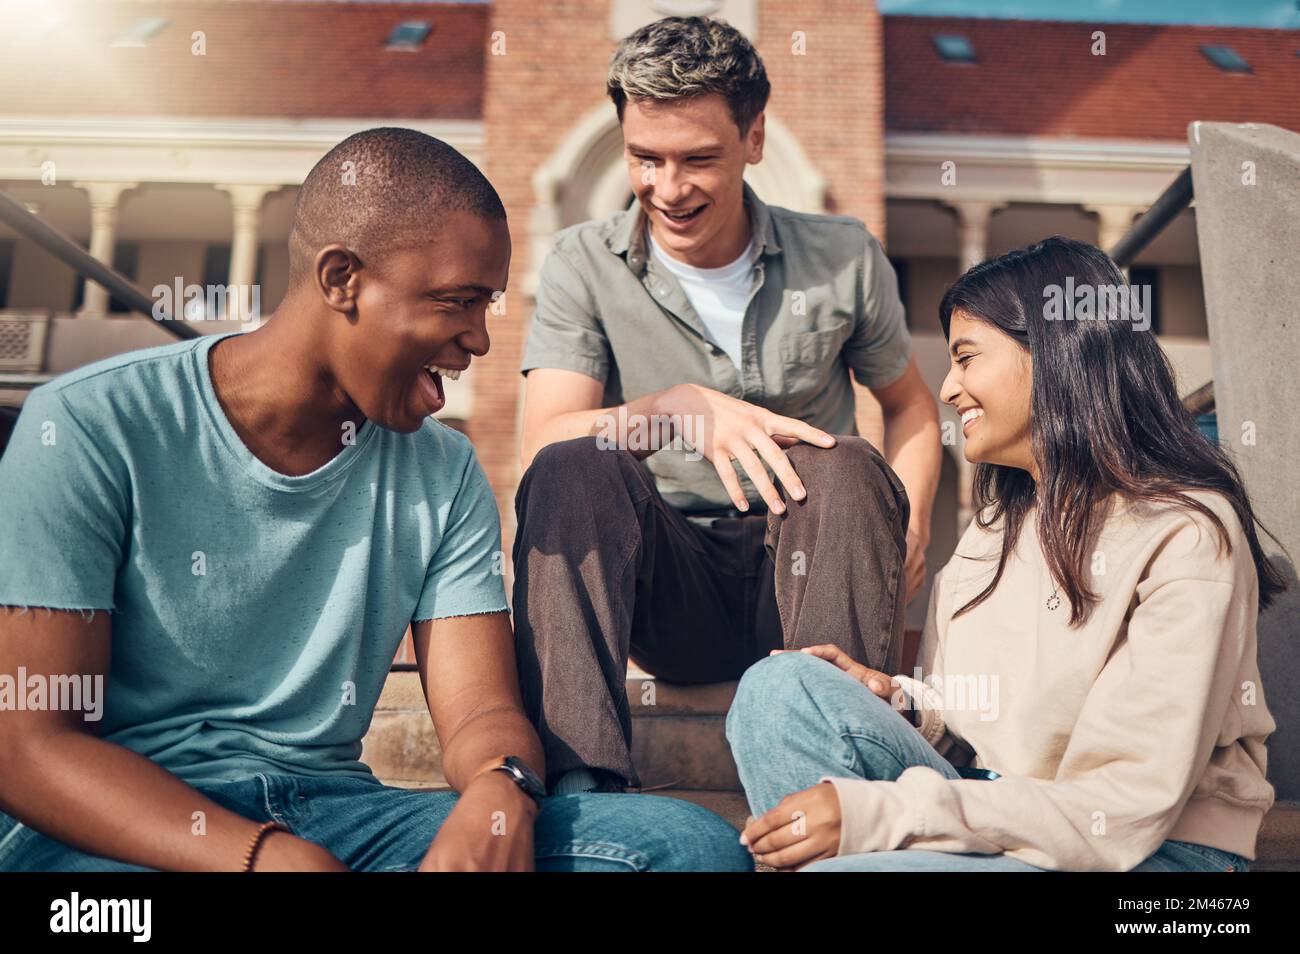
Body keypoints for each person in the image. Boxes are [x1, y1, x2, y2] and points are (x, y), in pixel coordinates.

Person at [0, 127, 750, 873]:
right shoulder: (90, 425)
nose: (481, 339)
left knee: (687, 850)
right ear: (341, 279)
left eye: (486, 304)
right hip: (120, 830)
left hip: (339, 815)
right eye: (457, 301)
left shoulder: (444, 468)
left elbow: (483, 713)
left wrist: (503, 792)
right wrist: (263, 859)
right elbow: (29, 748)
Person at [726, 236, 1285, 872]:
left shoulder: (1184, 530)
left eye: (966, 358)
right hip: (999, 813)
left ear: (1055, 353)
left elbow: (1122, 809)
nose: (948, 388)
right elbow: (976, 736)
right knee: (782, 687)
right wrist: (907, 705)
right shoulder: (996, 527)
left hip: (1154, 853)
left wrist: (879, 817)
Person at [514, 16, 941, 796]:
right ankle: (585, 797)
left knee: (846, 462)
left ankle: (831, 798)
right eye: (645, 158)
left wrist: (911, 531)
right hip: (669, 583)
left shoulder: (845, 255)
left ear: (754, 140)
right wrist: (678, 410)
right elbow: (543, 440)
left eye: (698, 159)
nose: (667, 189)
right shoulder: (581, 261)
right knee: (574, 467)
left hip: (815, 571)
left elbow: (912, 408)